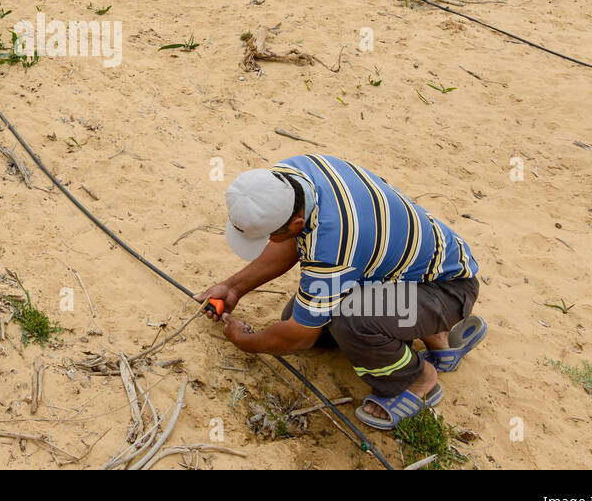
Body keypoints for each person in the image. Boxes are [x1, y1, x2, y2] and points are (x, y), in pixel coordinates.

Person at [197, 154, 485, 429]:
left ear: (296, 224)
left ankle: (417, 378)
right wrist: (233, 288)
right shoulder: (294, 174)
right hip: (413, 270)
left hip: (445, 288)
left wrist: (247, 342)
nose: (270, 241)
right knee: (302, 317)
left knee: (348, 319)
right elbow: (291, 241)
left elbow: (299, 337)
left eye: (270, 235)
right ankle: (437, 338)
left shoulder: (335, 247)